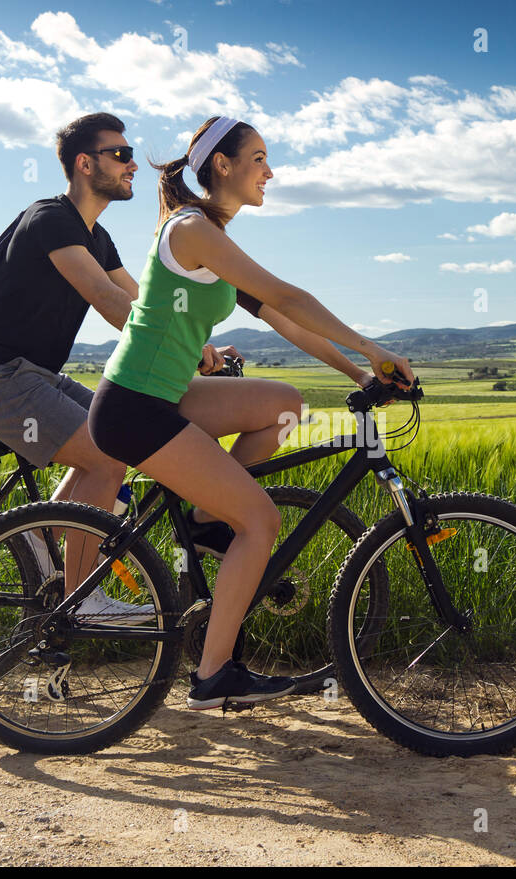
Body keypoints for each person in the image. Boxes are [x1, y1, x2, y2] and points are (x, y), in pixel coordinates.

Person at [87, 116, 415, 711]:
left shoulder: (214, 238)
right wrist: (372, 346)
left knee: (283, 403)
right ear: (223, 165)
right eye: (259, 158)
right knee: (262, 522)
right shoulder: (193, 230)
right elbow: (290, 296)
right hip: (135, 406)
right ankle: (214, 675)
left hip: (163, 394)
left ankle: (209, 521)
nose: (271, 171)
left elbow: (283, 319)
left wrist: (359, 374)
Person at [0, 113, 247, 619]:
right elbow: (109, 300)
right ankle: (80, 597)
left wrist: (203, 346)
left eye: (131, 154)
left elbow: (144, 300)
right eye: (120, 154)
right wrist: (182, 346)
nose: (133, 164)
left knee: (118, 434)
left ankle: (43, 549)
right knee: (107, 456)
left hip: (33, 376)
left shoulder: (97, 236)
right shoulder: (50, 219)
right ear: (85, 164)